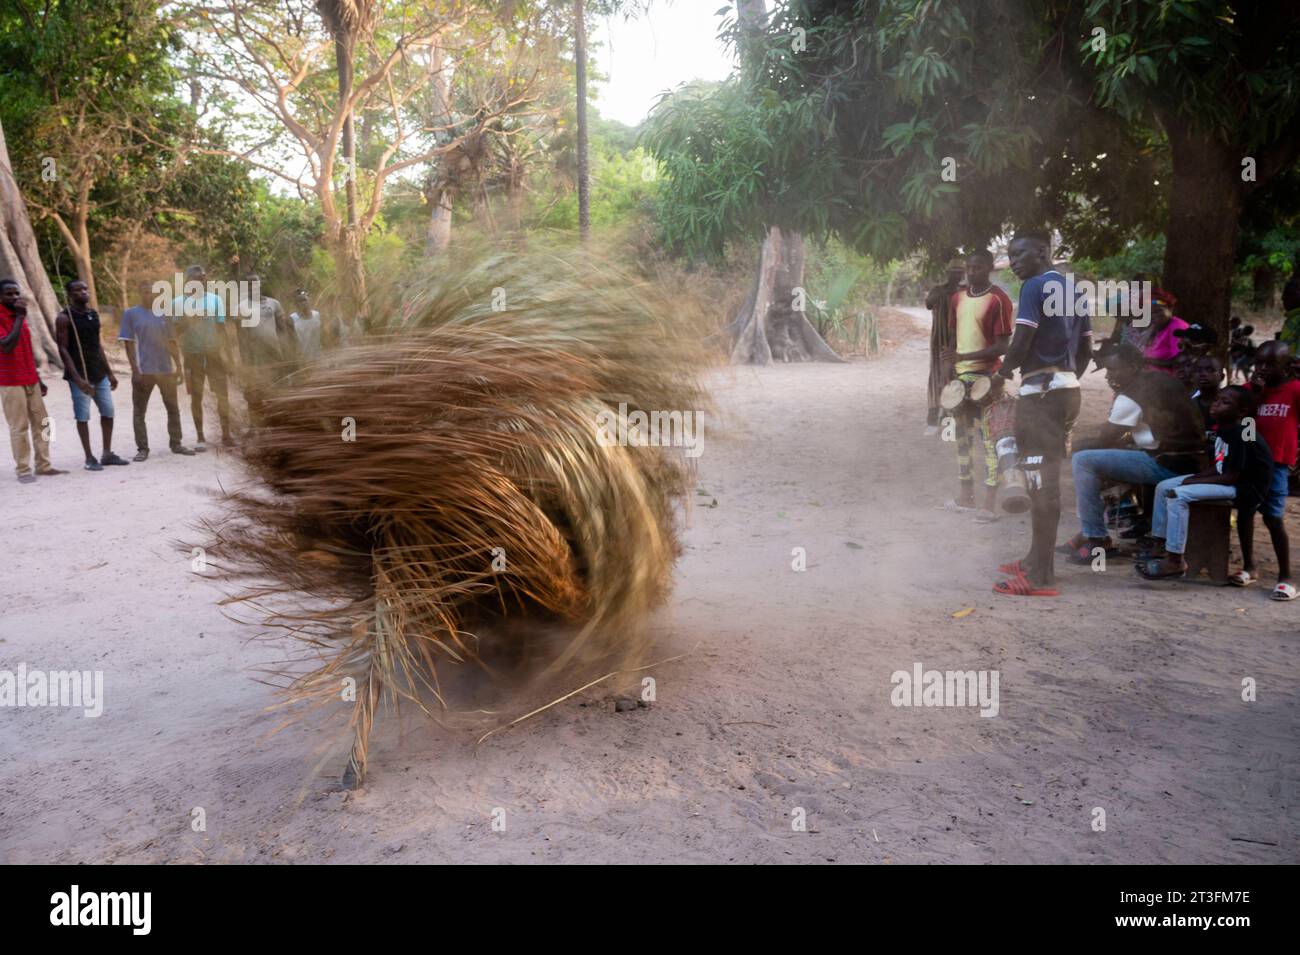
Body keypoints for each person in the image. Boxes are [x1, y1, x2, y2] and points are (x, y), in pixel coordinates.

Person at [992, 231, 1092, 596]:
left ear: (1043, 252)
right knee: (1042, 479)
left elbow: (1021, 342)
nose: (1014, 262)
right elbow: (1086, 351)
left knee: (1040, 484)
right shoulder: (1075, 290)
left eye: (1019, 254)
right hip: (1066, 392)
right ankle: (1036, 560)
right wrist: (1064, 380)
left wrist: (1002, 375)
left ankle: (1041, 578)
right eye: (1010, 256)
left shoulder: (1035, 287)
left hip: (1043, 396)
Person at [1062, 343, 1206, 562]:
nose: (1109, 376)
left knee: (1083, 461)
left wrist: (1072, 448)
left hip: (1169, 465)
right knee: (1106, 456)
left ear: (1132, 367)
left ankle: (1096, 540)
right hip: (1192, 459)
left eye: (1115, 369)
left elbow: (1104, 438)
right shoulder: (1160, 380)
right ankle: (1090, 531)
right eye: (1108, 370)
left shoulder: (1131, 395)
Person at [1136, 386, 1274, 580]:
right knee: (1164, 486)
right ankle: (1160, 545)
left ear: (1241, 412)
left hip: (1245, 488)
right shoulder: (1225, 428)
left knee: (1177, 495)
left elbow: (1230, 476)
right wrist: (1192, 479)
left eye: (1225, 403)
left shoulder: (1241, 433)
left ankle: (1175, 561)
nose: (1217, 404)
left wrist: (1190, 482)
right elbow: (1219, 466)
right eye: (1218, 399)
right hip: (1227, 479)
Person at [939, 249, 1014, 520]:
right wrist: (950, 370)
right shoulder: (957, 298)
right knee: (963, 441)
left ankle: (989, 504)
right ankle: (966, 497)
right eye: (970, 268)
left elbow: (1002, 346)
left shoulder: (999, 299)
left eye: (979, 268)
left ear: (990, 268)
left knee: (989, 441)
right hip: (960, 378)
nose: (973, 273)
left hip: (986, 379)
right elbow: (953, 340)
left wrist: (965, 357)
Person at [1240, 340, 1299, 599]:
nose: (1262, 369)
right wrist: (1254, 396)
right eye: (1259, 363)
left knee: (1273, 517)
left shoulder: (1295, 390)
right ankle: (1248, 567)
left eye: (1270, 364)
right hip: (1249, 462)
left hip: (1276, 464)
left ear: (1286, 367)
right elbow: (1246, 428)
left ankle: (1285, 576)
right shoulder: (1248, 392)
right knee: (1245, 513)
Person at [56, 279, 128, 471]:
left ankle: (107, 453)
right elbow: (62, 349)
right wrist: (77, 379)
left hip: (99, 372)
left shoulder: (93, 315)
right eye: (78, 290)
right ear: (70, 295)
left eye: (85, 289)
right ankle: (89, 457)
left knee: (108, 412)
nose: (83, 292)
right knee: (83, 416)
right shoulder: (65, 318)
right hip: (80, 375)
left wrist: (110, 372)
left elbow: (98, 346)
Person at [0, 278, 67, 482]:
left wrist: (38, 378)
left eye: (16, 293)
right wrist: (20, 318)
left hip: (30, 378)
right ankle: (23, 469)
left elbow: (26, 350)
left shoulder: (20, 315)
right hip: (10, 381)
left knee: (44, 423)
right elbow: (6, 346)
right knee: (19, 426)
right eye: (9, 294)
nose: (14, 297)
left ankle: (44, 465)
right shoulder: (9, 316)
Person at [119, 279, 194, 461]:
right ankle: (142, 449)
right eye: (145, 292)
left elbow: (171, 342)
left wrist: (178, 366)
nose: (149, 295)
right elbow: (128, 344)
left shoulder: (164, 314)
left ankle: (176, 444)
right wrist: (135, 371)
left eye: (152, 292)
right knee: (139, 412)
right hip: (144, 371)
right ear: (140, 293)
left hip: (165, 369)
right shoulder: (131, 314)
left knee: (173, 408)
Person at [173, 264, 234, 451]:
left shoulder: (215, 300)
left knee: (223, 396)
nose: (200, 282)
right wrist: (191, 319)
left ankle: (226, 435)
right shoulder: (178, 303)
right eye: (196, 279)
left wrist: (229, 359)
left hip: (214, 354)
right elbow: (175, 332)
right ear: (188, 281)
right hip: (192, 355)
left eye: (202, 279)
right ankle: (200, 437)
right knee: (196, 396)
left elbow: (222, 331)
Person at [923, 260, 965, 435]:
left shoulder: (965, 292)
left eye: (959, 272)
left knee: (957, 376)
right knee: (938, 376)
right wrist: (937, 291)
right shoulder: (939, 291)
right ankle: (933, 417)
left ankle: (953, 419)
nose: (956, 275)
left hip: (961, 341)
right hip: (940, 341)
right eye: (953, 272)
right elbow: (928, 304)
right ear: (947, 273)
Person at [1142, 296, 1188, 375]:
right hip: (1152, 378)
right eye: (1150, 313)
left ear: (1170, 309)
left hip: (1168, 382)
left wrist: (1149, 361)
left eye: (1157, 311)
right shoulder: (1158, 327)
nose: (1153, 316)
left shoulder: (1177, 327)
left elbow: (1181, 361)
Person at [1190, 354, 1224, 435]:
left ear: (1222, 377)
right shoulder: (1189, 405)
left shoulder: (1233, 402)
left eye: (1210, 370)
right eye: (1198, 370)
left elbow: (1248, 436)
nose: (1203, 374)